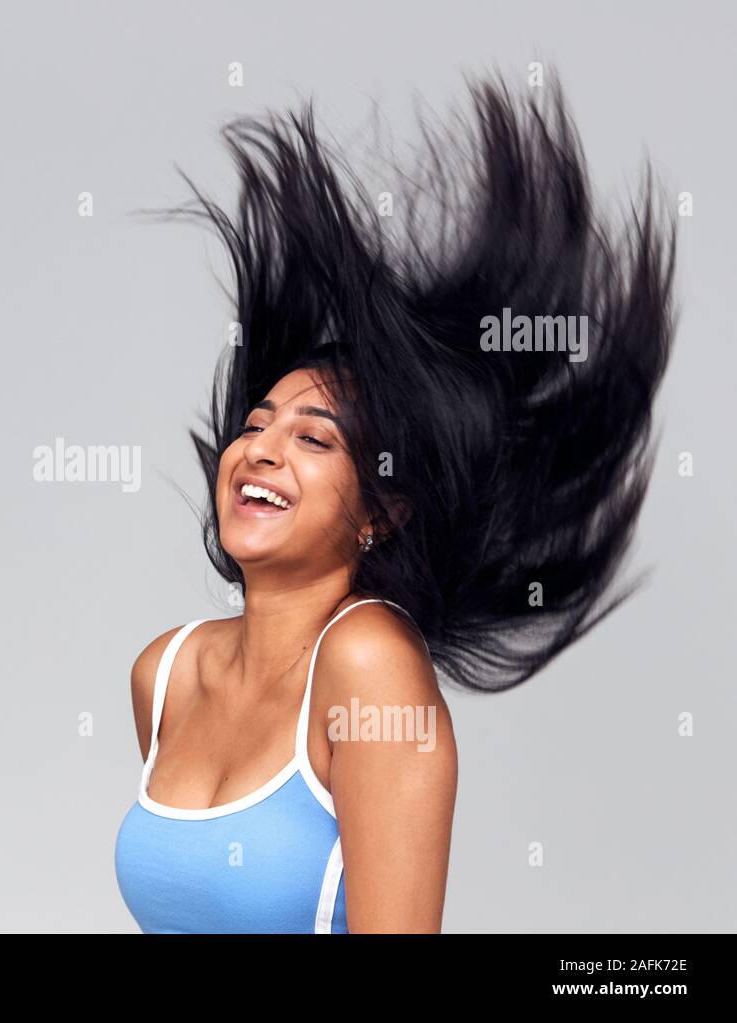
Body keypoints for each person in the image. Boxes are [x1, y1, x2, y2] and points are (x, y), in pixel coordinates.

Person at [113, 70, 677, 933]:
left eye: (315, 437)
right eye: (257, 423)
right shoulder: (166, 672)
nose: (261, 447)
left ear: (382, 510)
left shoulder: (367, 662)